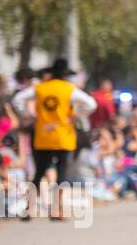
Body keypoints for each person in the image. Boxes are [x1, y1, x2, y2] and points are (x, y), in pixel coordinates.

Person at [10, 58, 96, 220]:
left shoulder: (40, 88)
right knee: (61, 173)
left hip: (43, 135)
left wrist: (29, 116)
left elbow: (17, 100)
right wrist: (77, 116)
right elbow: (91, 104)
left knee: (39, 172)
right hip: (63, 135)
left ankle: (29, 209)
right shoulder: (69, 89)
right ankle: (57, 210)